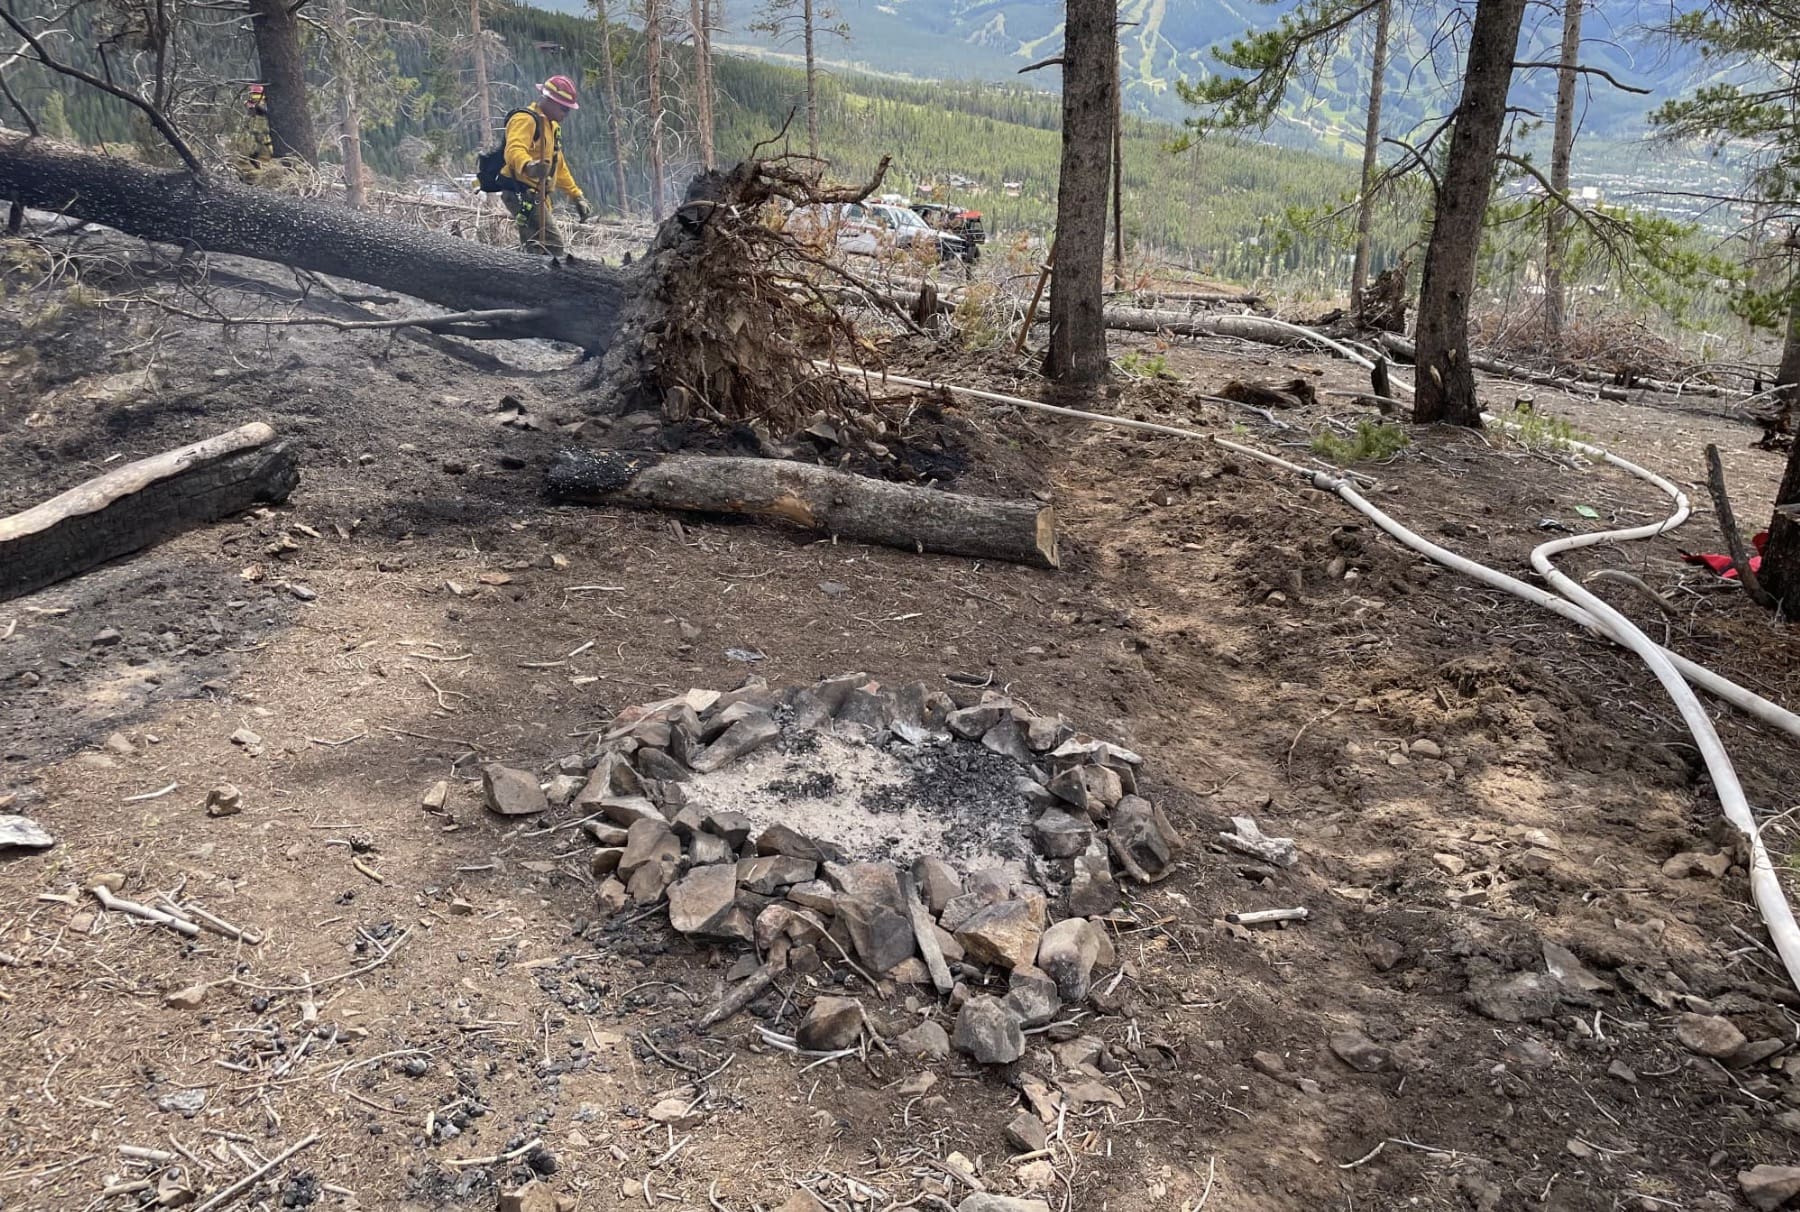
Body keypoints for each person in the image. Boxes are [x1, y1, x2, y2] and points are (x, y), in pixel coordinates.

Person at [499, 75, 592, 258]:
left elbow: (559, 166)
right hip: (521, 192)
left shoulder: (552, 127)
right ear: (549, 101)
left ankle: (520, 271)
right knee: (552, 246)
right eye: (564, 109)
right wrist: (529, 166)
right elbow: (514, 149)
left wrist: (576, 195)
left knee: (537, 248)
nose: (566, 114)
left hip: (537, 195)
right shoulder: (525, 119)